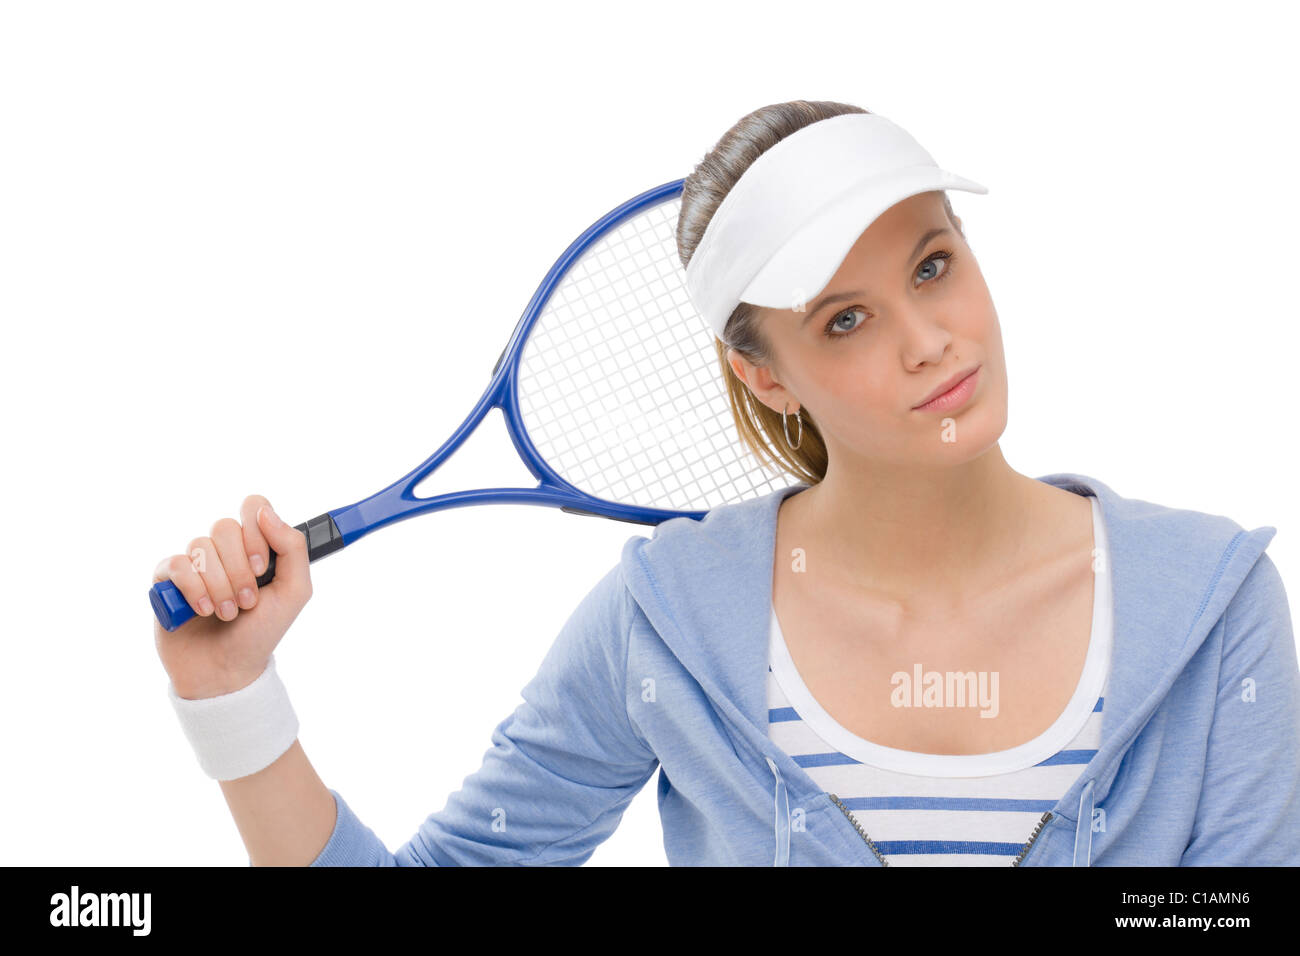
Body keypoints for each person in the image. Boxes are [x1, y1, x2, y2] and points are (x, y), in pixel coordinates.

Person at [153, 100, 1300, 866]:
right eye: (845, 319)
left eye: (934, 264)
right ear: (764, 373)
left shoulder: (1211, 602)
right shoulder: (667, 620)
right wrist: (230, 696)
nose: (929, 341)